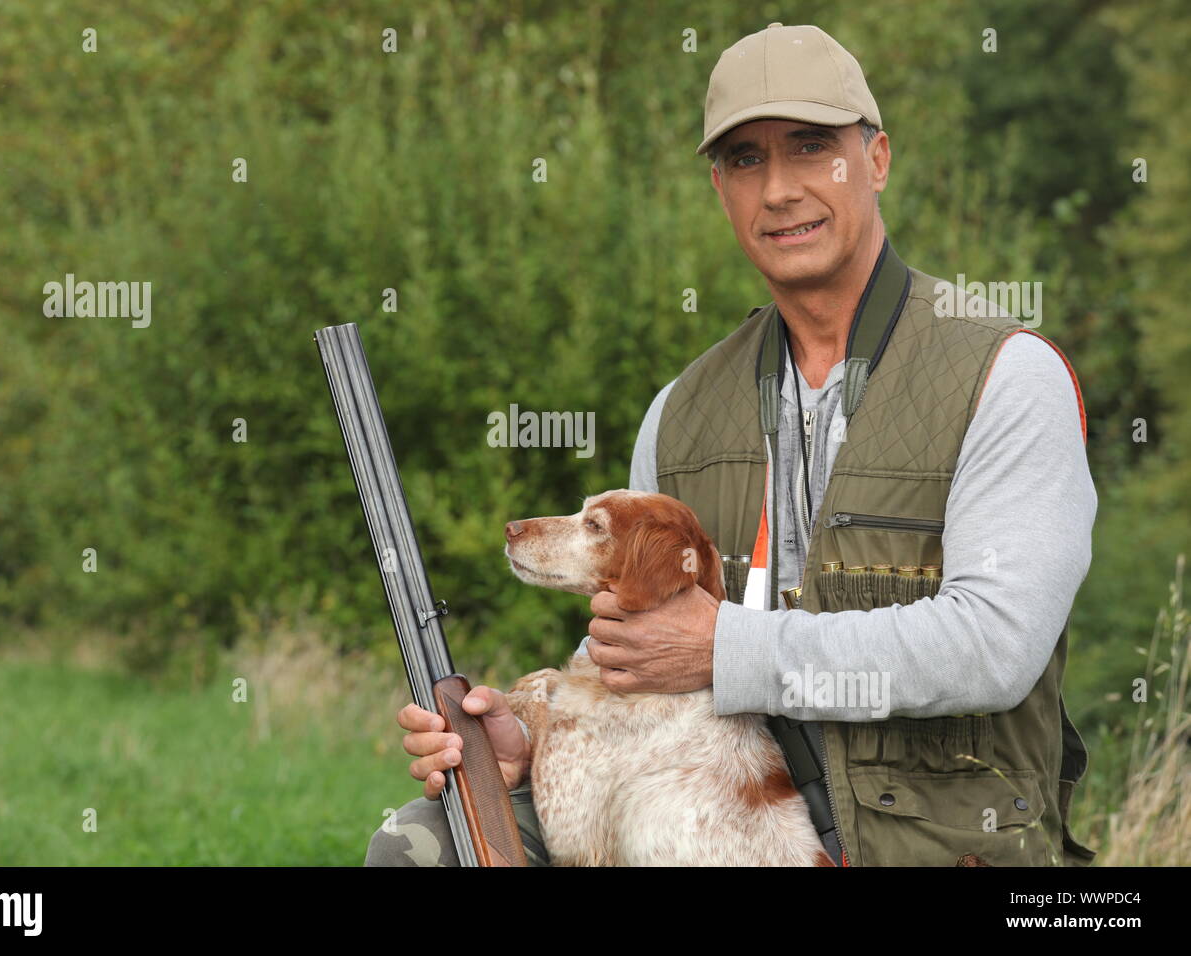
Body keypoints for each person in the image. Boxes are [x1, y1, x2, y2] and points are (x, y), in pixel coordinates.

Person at [365, 22, 1096, 867]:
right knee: (422, 846)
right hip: (705, 807)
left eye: (811, 147)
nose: (779, 189)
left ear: (878, 159)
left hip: (935, 838)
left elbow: (994, 647)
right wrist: (534, 738)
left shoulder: (1005, 376)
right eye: (746, 160)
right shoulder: (680, 411)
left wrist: (731, 650)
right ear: (721, 188)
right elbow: (631, 651)